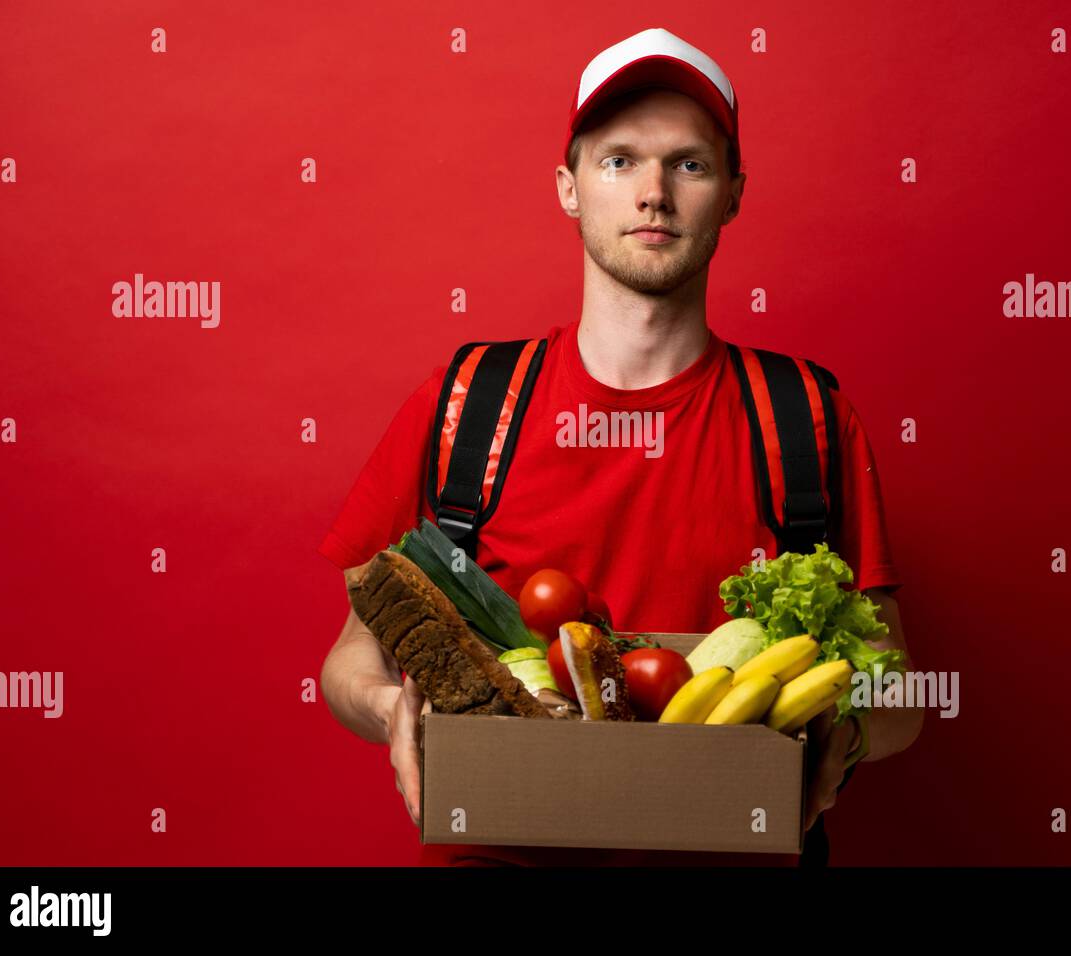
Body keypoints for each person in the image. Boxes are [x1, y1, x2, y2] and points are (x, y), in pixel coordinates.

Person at [318, 28, 922, 866]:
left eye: (690, 164)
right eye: (618, 161)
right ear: (569, 188)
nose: (653, 195)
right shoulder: (467, 402)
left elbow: (897, 688)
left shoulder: (806, 416)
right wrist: (390, 708)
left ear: (734, 194)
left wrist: (845, 732)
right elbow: (350, 655)